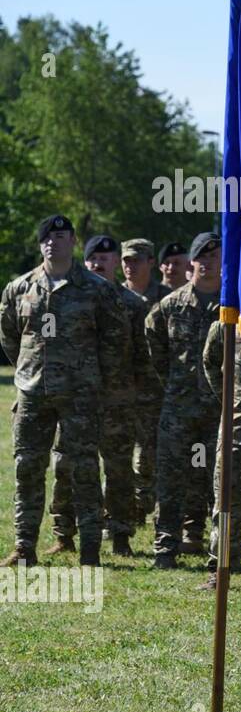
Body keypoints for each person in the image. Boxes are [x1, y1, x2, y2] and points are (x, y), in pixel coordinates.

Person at [1, 216, 127, 567]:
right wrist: (30, 369)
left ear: (72, 240)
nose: (52, 243)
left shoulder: (97, 289)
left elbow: (115, 340)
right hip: (33, 392)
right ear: (39, 244)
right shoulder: (19, 288)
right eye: (46, 238)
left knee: (84, 468)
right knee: (27, 467)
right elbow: (10, 336)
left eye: (59, 236)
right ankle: (25, 547)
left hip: (80, 394)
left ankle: (89, 549)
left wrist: (93, 376)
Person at [48, 235, 151, 557]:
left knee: (119, 469)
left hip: (117, 400)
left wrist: (138, 395)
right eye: (93, 257)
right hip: (75, 400)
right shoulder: (68, 297)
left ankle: (120, 535)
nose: (98, 262)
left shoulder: (133, 304)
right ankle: (64, 533)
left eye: (106, 257)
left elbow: (143, 356)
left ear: (116, 262)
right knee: (66, 465)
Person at [146, 232, 222, 568]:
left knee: (217, 481)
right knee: (171, 479)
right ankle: (166, 548)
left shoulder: (235, 304)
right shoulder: (170, 305)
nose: (206, 262)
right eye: (200, 257)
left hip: (221, 408)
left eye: (213, 256)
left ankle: (218, 551)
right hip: (178, 408)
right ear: (191, 262)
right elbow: (155, 348)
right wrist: (176, 383)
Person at [197, 313, 241, 588]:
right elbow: (210, 363)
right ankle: (220, 570)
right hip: (236, 431)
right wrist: (228, 400)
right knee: (226, 505)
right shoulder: (224, 325)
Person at [120, 238, 167, 525]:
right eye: (126, 260)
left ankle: (151, 507)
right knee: (120, 455)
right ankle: (127, 511)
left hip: (156, 389)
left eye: (137, 260)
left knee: (152, 453)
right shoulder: (110, 296)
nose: (130, 265)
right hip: (120, 389)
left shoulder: (166, 298)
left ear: (151, 262)